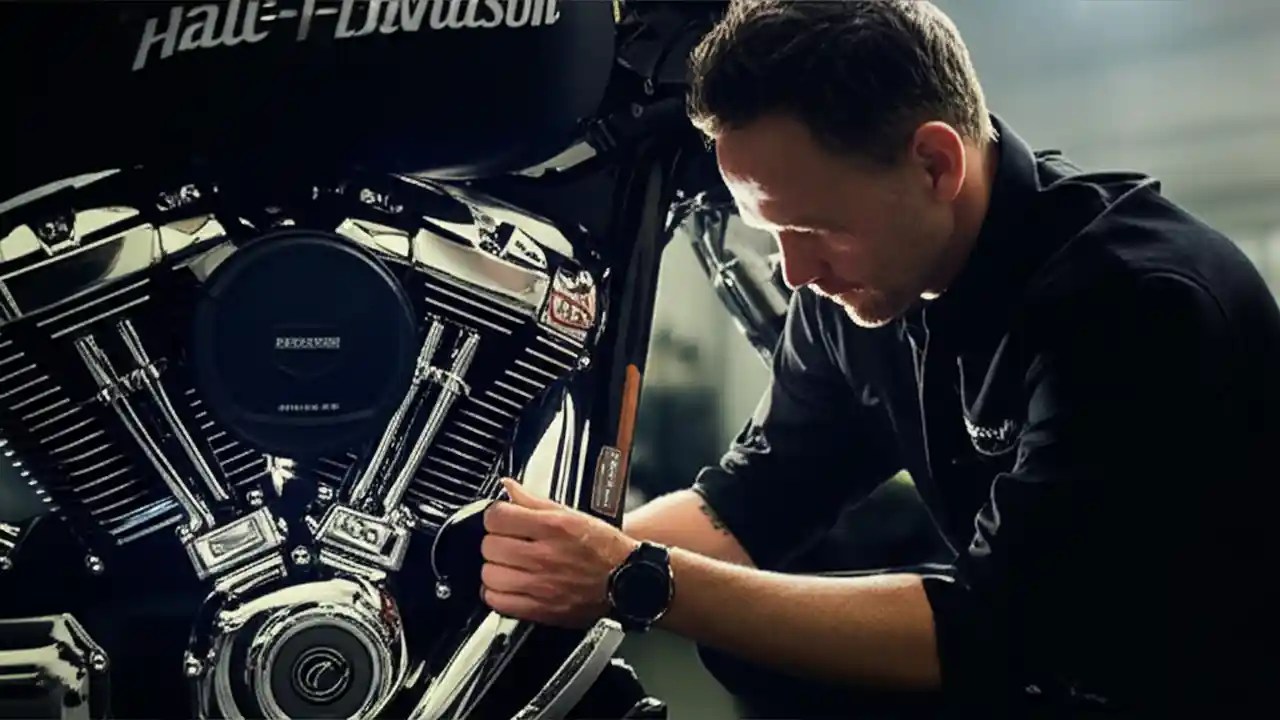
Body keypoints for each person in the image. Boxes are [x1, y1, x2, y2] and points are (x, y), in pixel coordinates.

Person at [477, 0, 1280, 716]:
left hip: (1194, 684)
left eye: (817, 227)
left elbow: (995, 631)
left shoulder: (1137, 305)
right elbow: (749, 504)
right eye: (771, 235)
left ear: (935, 164)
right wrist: (541, 566)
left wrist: (634, 579)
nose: (795, 272)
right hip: (1049, 663)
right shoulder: (860, 295)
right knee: (749, 645)